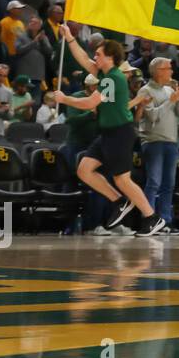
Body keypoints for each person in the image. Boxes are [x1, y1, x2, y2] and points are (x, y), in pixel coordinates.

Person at [51, 26, 164, 236]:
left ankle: (152, 217)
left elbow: (91, 102)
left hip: (120, 133)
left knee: (123, 179)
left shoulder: (112, 78)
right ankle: (120, 201)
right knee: (84, 169)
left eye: (99, 54)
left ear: (110, 57)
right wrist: (70, 39)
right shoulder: (105, 74)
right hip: (108, 133)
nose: (95, 56)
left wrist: (64, 99)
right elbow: (84, 59)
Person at [136, 57, 179, 233]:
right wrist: (171, 100)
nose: (172, 72)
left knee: (169, 184)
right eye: (168, 68)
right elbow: (152, 116)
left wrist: (178, 97)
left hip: (171, 142)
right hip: (153, 141)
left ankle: (165, 221)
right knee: (154, 182)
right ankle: (149, 219)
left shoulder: (169, 89)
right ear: (158, 71)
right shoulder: (145, 91)